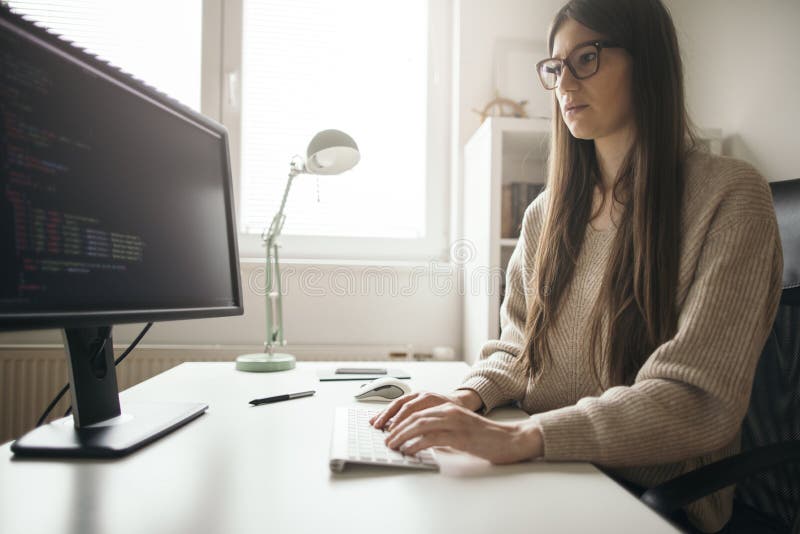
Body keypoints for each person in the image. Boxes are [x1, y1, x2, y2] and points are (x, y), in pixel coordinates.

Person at [370, 0, 783, 532]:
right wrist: (465, 397)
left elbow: (697, 398)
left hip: (650, 495)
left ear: (648, 62)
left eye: (586, 58)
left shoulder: (728, 195)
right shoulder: (546, 214)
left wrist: (521, 438)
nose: (564, 81)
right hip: (551, 462)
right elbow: (517, 347)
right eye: (554, 66)